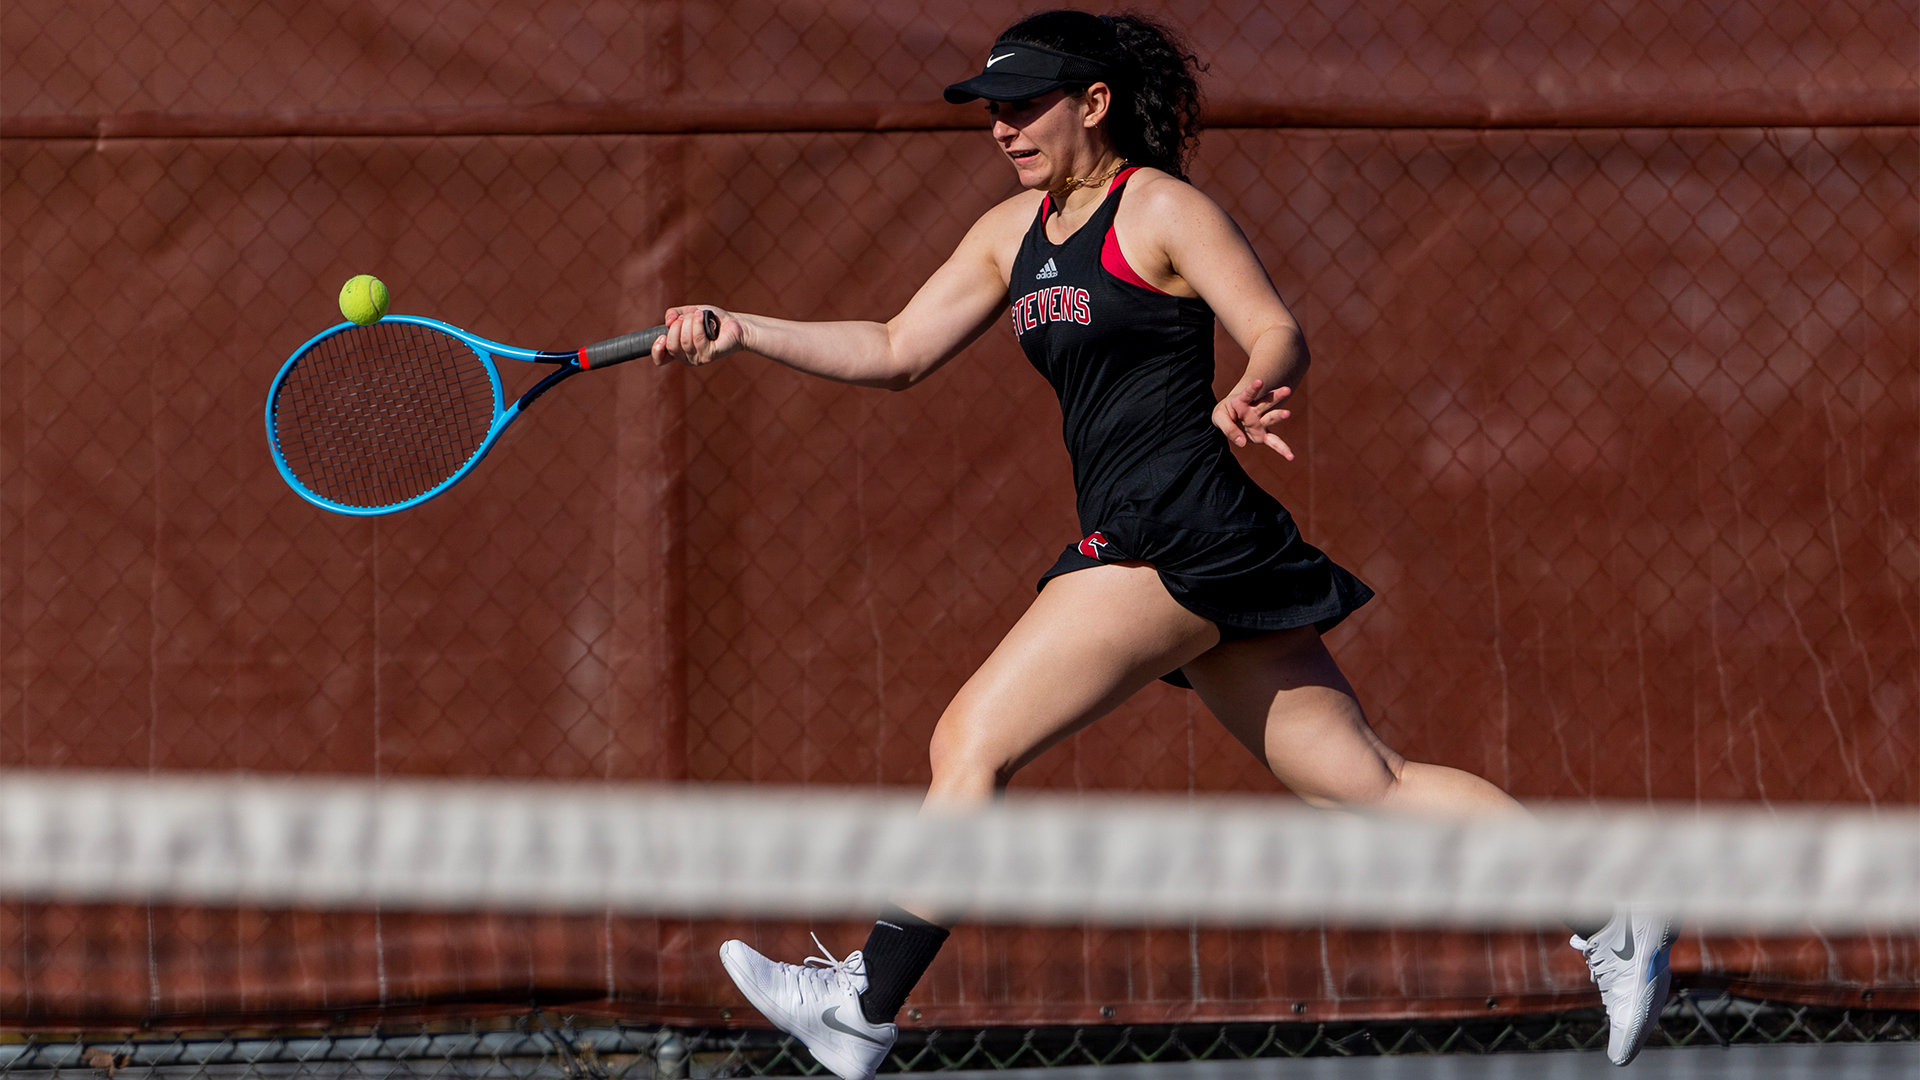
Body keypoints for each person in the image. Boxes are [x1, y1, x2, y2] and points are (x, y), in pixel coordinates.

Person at [651, 10, 1673, 1074]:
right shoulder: (1011, 234)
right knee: (1370, 783)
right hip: (1176, 537)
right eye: (991, 111)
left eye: (1023, 105)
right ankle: (1613, 912)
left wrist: (1252, 385)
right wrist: (745, 330)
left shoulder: (1164, 209)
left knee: (970, 743)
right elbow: (897, 348)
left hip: (1171, 526)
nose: (1002, 129)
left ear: (1094, 103)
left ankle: (866, 1000)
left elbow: (1275, 325)